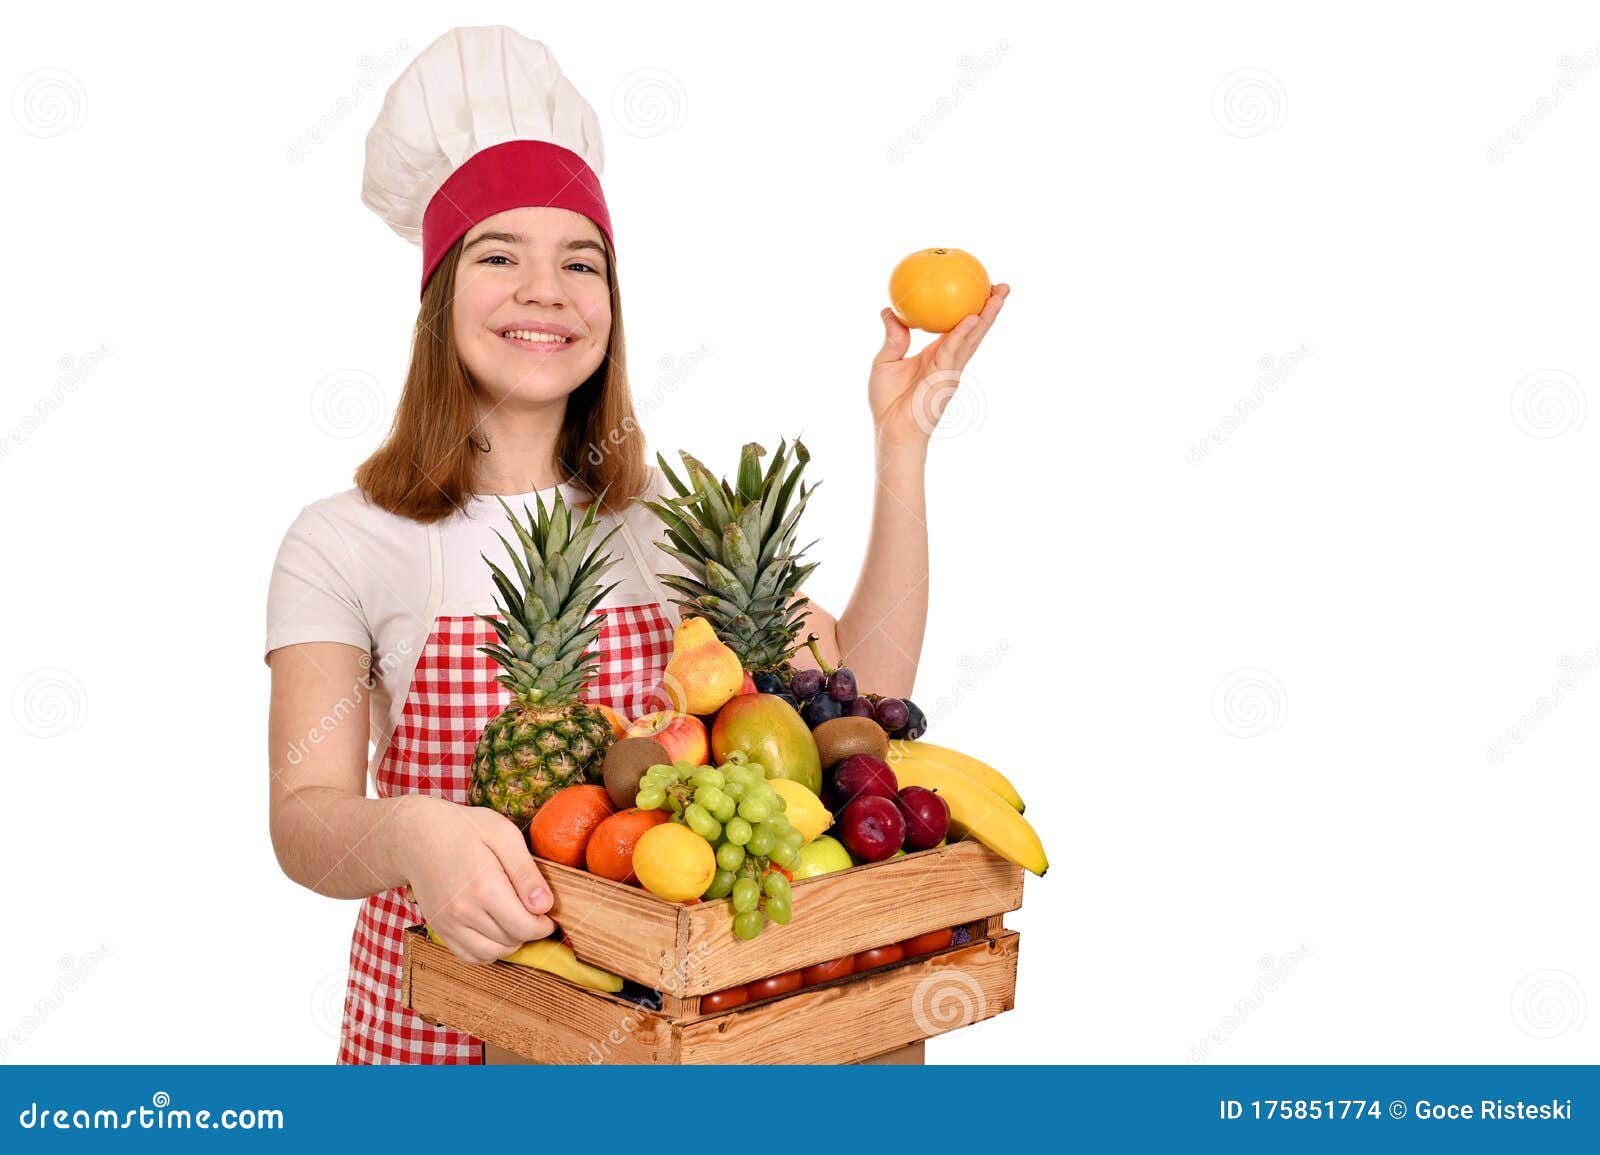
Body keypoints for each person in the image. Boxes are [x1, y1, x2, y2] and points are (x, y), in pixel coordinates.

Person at [264, 25, 1007, 1064]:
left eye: (581, 260)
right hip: (431, 1031)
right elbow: (305, 820)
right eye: (498, 256)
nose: (546, 289)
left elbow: (859, 709)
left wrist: (902, 443)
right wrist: (405, 832)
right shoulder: (343, 540)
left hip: (649, 1041)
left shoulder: (675, 521)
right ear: (437, 299)